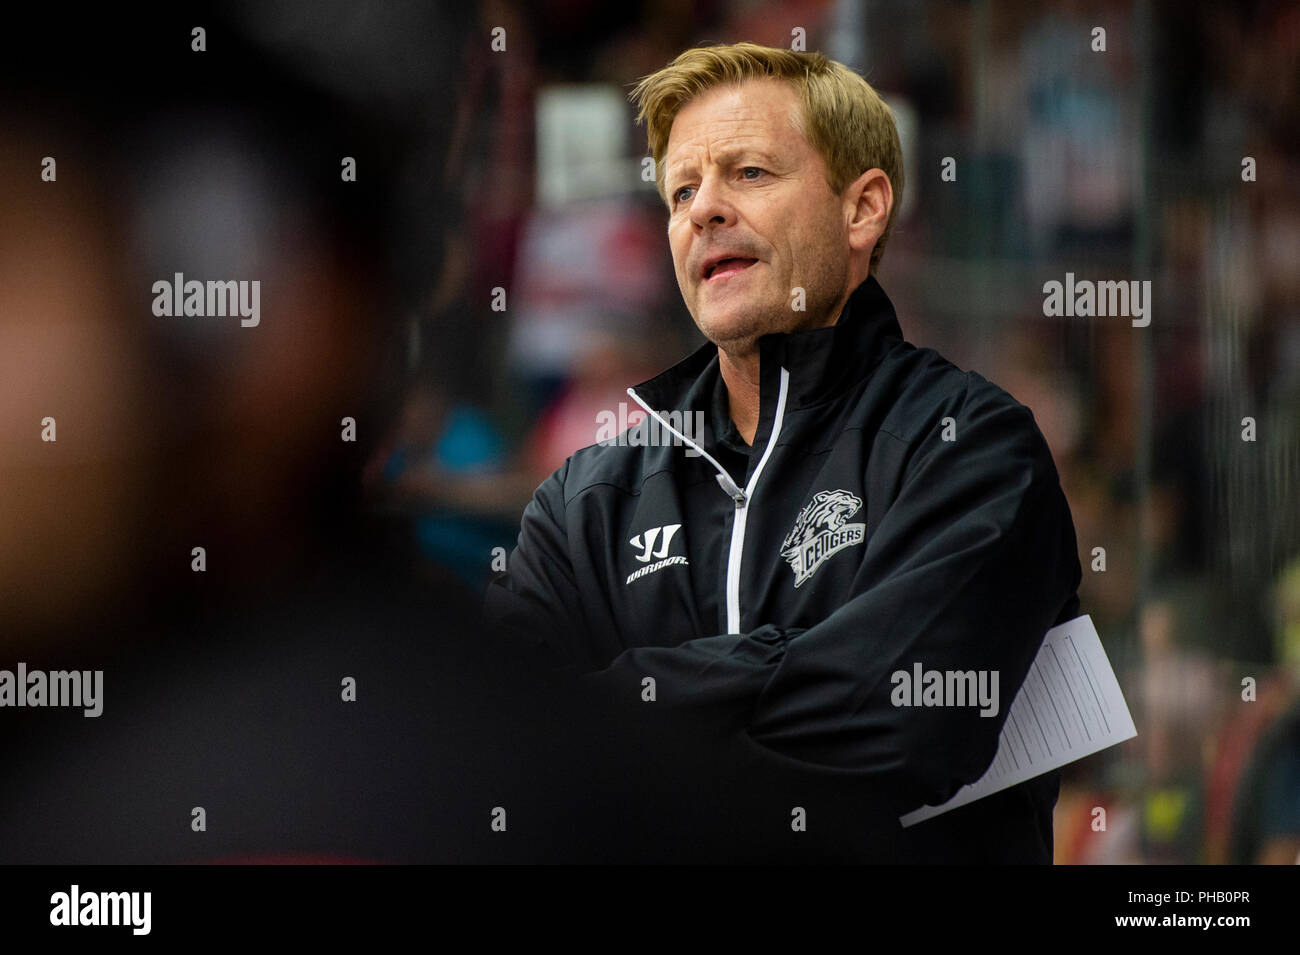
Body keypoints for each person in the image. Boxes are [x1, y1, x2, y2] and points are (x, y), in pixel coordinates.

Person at [484, 42, 1083, 862]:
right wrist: (791, 654)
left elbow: (900, 725)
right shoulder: (583, 503)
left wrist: (618, 713)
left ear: (863, 208)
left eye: (751, 174)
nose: (704, 210)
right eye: (682, 190)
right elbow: (507, 758)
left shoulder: (972, 447)